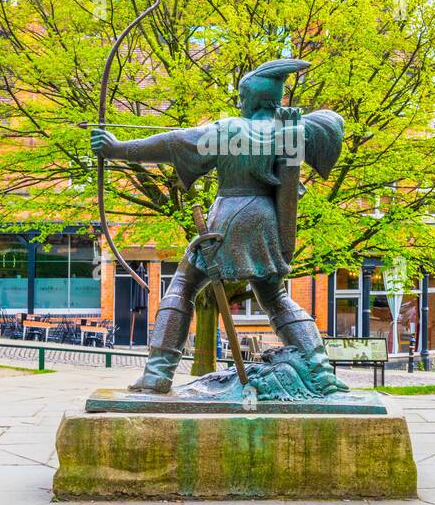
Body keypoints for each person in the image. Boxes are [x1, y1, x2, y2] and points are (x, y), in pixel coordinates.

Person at [90, 57, 347, 397]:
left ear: (252, 100)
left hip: (230, 216)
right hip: (267, 220)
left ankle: (157, 374)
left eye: (242, 98)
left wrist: (118, 148)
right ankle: (319, 369)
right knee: (275, 296)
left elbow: (171, 143)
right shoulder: (293, 130)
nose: (239, 104)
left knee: (183, 285)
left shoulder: (229, 131)